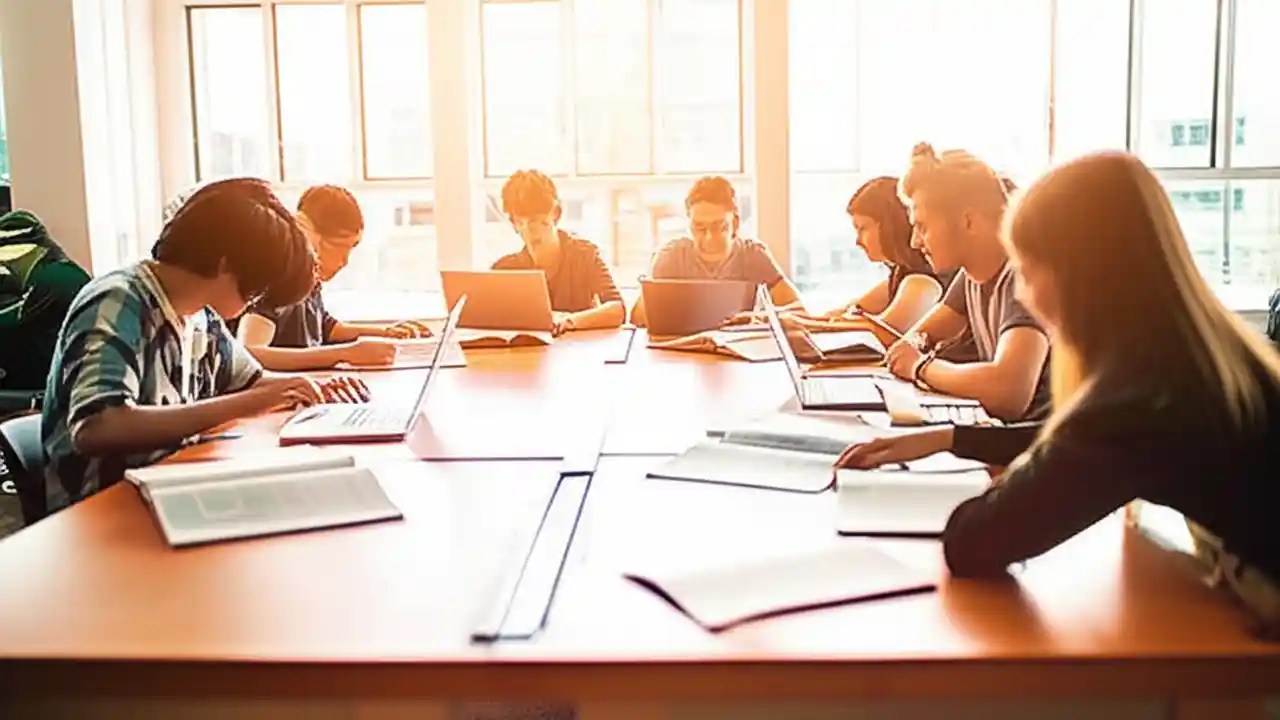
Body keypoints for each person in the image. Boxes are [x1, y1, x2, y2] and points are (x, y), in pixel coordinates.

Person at [835, 153, 1280, 632]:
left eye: (1027, 271)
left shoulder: (1139, 400)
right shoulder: (1189, 358)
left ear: (1078, 274)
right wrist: (947, 438)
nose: (1021, 295)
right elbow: (1076, 444)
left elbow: (975, 541)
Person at [35, 179, 366, 521]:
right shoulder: (118, 301)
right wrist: (255, 401)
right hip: (104, 511)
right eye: (259, 284)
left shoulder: (200, 316)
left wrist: (309, 387)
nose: (259, 295)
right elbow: (97, 426)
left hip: (167, 489)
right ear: (225, 263)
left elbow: (252, 380)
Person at [884, 143, 1051, 421]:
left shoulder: (1025, 275)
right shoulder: (972, 274)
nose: (914, 242)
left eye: (922, 226)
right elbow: (912, 342)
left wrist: (921, 367)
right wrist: (915, 348)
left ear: (969, 221)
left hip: (1044, 442)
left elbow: (1010, 393)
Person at [232, 185, 432, 371]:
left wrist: (386, 332)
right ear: (310, 238)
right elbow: (250, 353)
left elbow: (325, 327)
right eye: (339, 247)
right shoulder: (280, 281)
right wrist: (345, 354)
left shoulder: (311, 280)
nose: (345, 261)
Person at [800, 176, 961, 348]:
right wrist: (796, 321)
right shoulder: (900, 274)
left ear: (889, 226)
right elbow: (843, 313)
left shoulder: (923, 281)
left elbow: (884, 333)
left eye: (862, 229)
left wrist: (805, 326)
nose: (858, 241)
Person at [631, 176, 803, 326]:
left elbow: (798, 309)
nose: (709, 238)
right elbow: (637, 319)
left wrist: (759, 317)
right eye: (699, 228)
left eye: (719, 227)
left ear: (735, 224)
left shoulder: (752, 254)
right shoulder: (670, 256)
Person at [491, 170, 624, 335]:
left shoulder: (585, 254)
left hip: (577, 346)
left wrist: (570, 322)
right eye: (520, 222)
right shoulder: (504, 270)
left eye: (536, 220)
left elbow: (617, 309)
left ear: (555, 214)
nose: (530, 230)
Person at [0, 210, 90, 393]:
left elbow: (14, 321)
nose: (8, 267)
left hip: (65, 381)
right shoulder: (57, 272)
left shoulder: (55, 278)